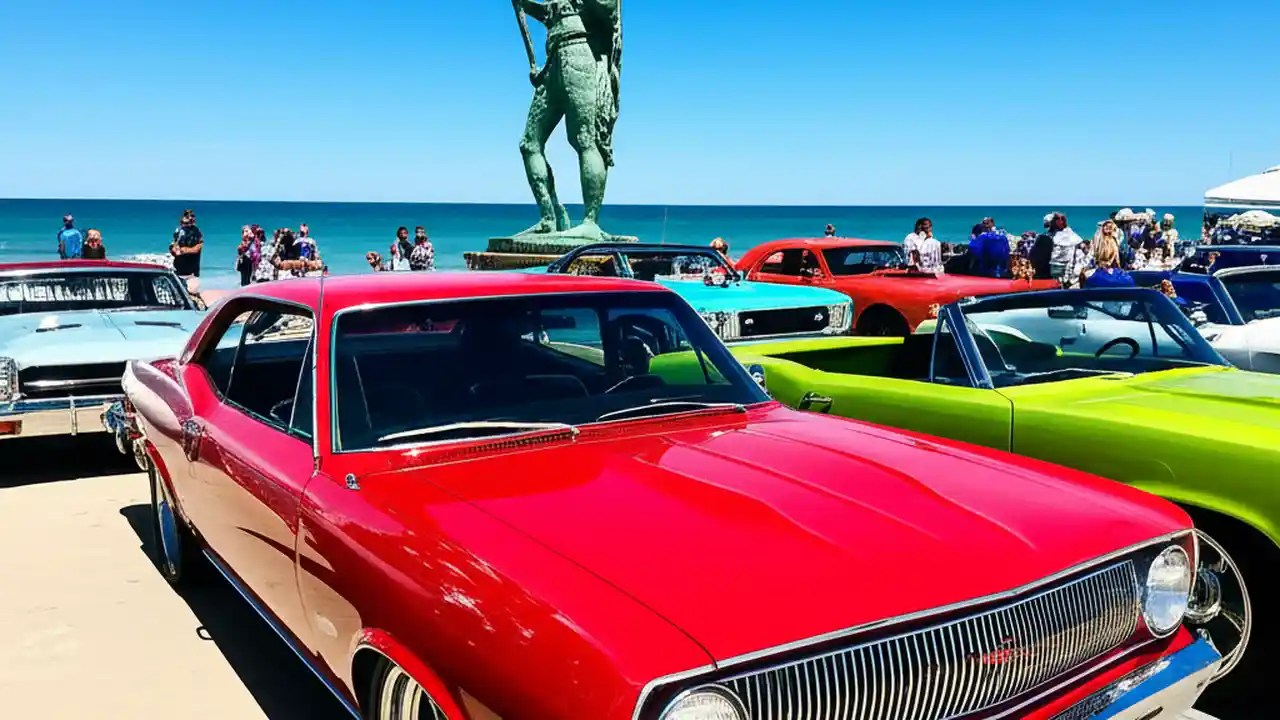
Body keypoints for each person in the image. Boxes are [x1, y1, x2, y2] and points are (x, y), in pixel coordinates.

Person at [1046, 213, 1084, 284]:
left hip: (1067, 268)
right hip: (1053, 267)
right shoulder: (1049, 235)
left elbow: (1077, 254)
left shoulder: (1070, 235)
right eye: (1055, 220)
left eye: (1059, 219)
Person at [170, 209, 204, 281]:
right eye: (184, 223)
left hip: (191, 273)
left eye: (189, 223)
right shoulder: (179, 231)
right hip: (178, 270)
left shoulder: (196, 231)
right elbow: (174, 245)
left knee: (192, 289)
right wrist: (173, 250)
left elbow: (196, 249)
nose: (186, 225)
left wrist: (182, 250)